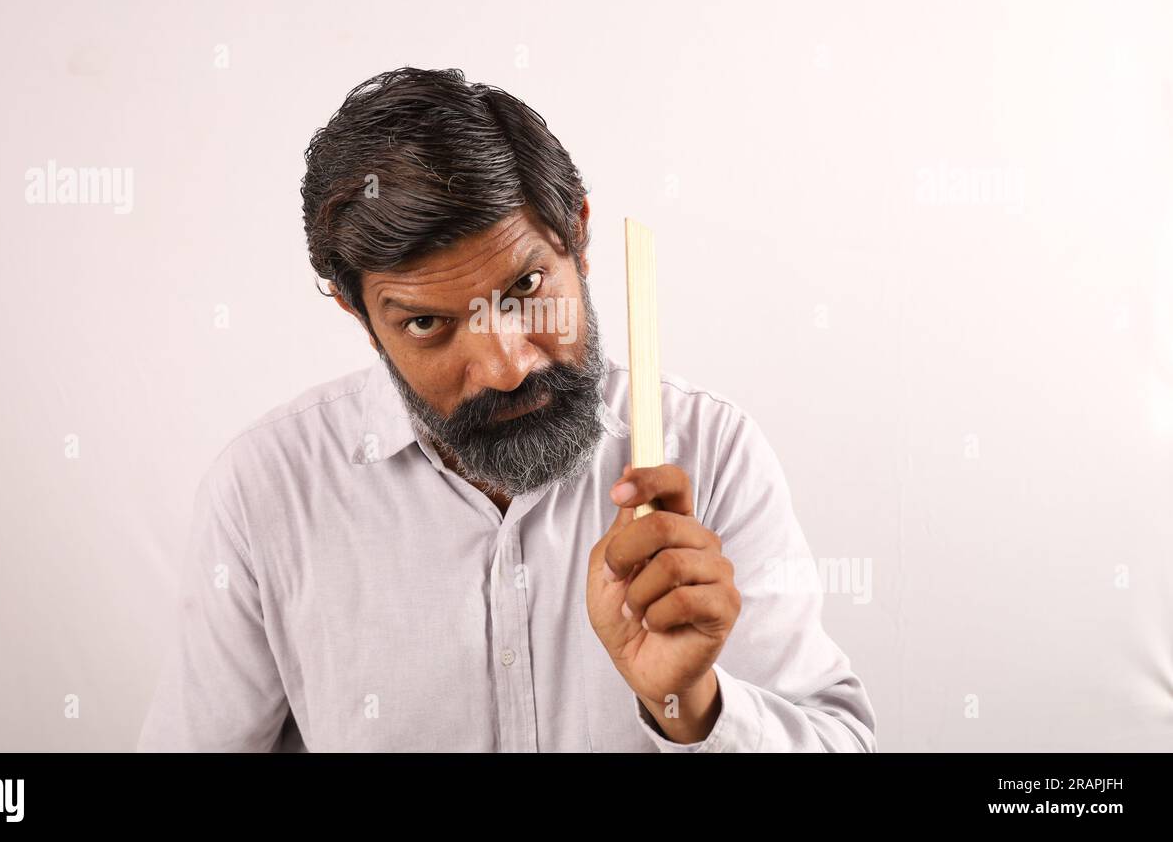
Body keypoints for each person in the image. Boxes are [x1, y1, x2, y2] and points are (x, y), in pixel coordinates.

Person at [136, 67, 877, 752]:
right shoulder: (266, 493)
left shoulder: (707, 451)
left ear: (578, 237)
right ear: (358, 314)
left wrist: (692, 702)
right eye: (428, 324)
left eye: (525, 289)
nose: (506, 366)